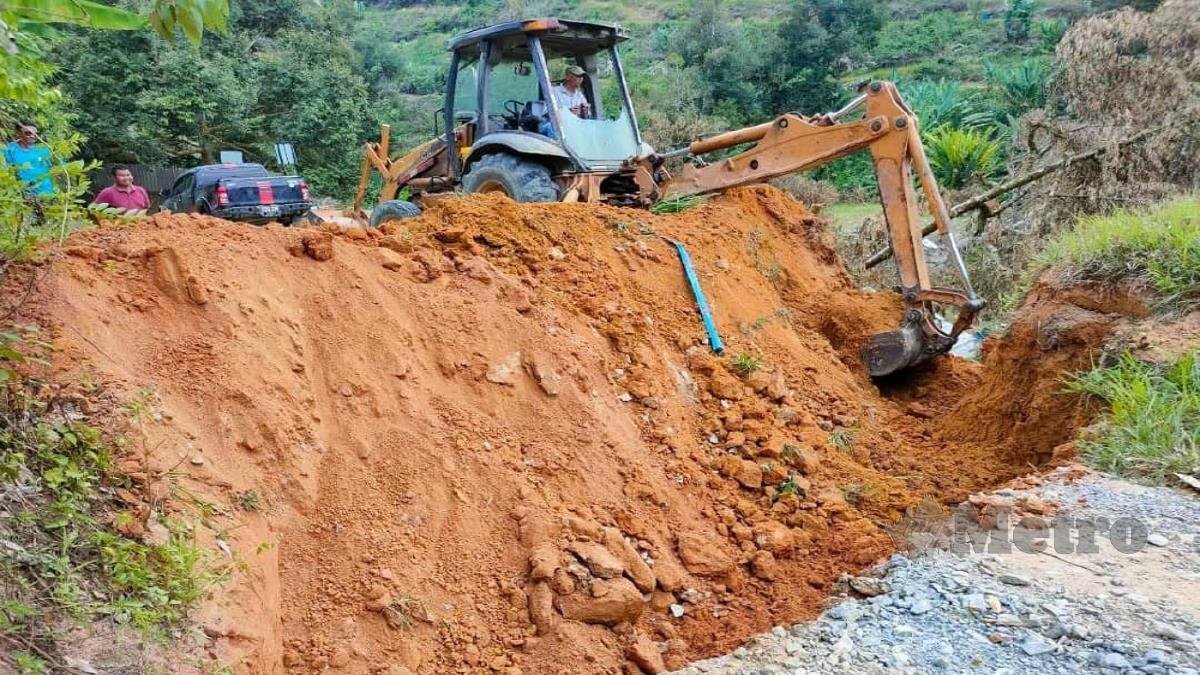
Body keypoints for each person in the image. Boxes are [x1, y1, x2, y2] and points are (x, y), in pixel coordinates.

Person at [539, 65, 592, 138]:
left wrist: (585, 111)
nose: (581, 79)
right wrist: (567, 112)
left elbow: (586, 117)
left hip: (575, 129)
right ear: (568, 77)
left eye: (582, 76)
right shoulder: (554, 92)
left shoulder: (580, 96)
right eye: (578, 76)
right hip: (558, 129)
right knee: (551, 128)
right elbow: (545, 114)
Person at [3, 122, 54, 196]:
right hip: (21, 193)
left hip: (46, 193)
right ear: (18, 133)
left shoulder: (44, 150)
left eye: (35, 134)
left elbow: (59, 167)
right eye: (28, 133)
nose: (32, 136)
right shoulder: (9, 149)